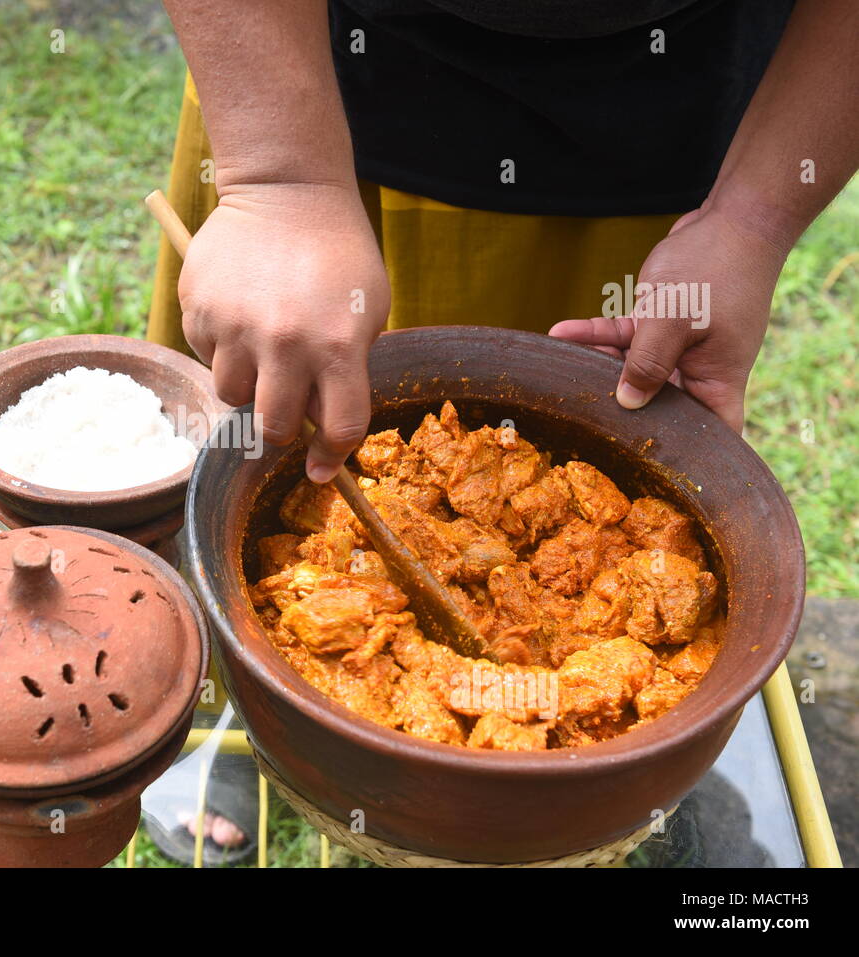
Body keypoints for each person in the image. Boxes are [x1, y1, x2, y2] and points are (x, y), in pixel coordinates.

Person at [144, 0, 858, 858]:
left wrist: (751, 219)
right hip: (300, 85)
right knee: (267, 414)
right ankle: (249, 720)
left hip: (668, 127)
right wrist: (277, 182)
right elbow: (275, 178)